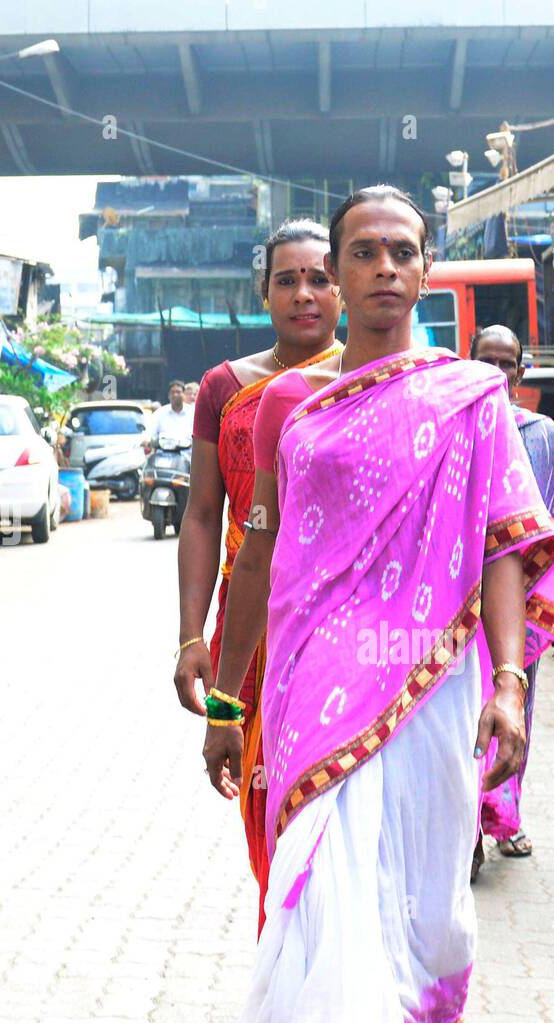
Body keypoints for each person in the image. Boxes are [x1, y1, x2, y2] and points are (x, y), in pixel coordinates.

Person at [202, 185, 554, 1023]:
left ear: (425, 268)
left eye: (398, 251)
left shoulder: (471, 400)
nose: (376, 269)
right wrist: (230, 699)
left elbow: (507, 543)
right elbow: (258, 557)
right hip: (316, 698)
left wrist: (509, 682)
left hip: (430, 693)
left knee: (430, 915)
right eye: (359, 250)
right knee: (336, 920)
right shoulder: (285, 408)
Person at [174, 220, 343, 934]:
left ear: (343, 288)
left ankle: (325, 968)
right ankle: (288, 955)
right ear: (264, 293)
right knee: (264, 796)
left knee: (338, 801)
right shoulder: (224, 388)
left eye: (319, 278)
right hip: (252, 622)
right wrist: (190, 636)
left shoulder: (379, 378)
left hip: (343, 623)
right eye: (287, 279)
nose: (305, 294)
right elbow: (204, 513)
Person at [469, 325, 554, 873]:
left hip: (524, 601)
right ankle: (466, 828)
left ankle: (505, 821)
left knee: (517, 707)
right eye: (485, 360)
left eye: (506, 363)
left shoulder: (542, 435)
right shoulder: (456, 427)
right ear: (468, 363)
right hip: (459, 603)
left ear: (521, 371)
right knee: (461, 713)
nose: (496, 372)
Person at [151, 380, 194, 444]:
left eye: (178, 392)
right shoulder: (159, 413)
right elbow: (151, 433)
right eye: (172, 392)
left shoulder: (193, 412)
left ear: (184, 394)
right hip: (164, 452)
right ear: (169, 395)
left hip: (188, 452)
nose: (175, 395)